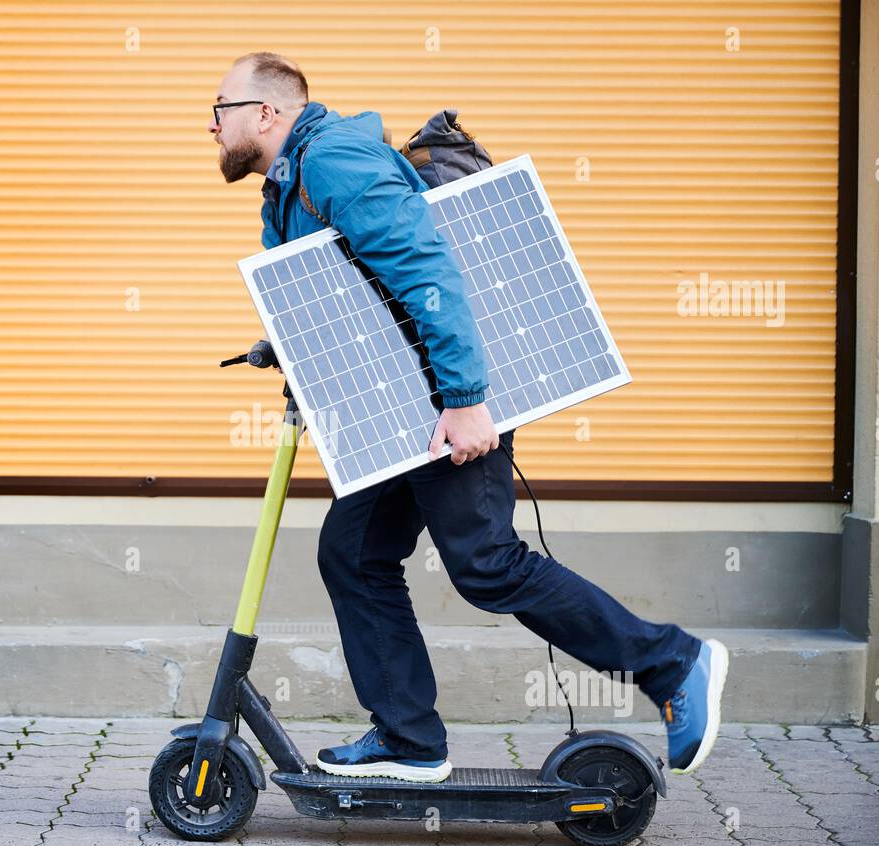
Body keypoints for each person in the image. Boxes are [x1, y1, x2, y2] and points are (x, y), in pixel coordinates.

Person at [209, 52, 729, 784]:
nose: (210, 123)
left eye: (221, 106)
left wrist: (465, 401)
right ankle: (408, 740)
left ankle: (673, 662)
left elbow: (426, 268)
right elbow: (349, 288)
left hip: (445, 397)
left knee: (486, 563)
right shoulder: (287, 187)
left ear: (268, 113)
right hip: (405, 403)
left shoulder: (330, 162)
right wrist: (289, 340)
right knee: (354, 555)